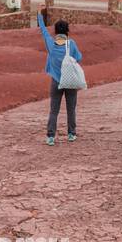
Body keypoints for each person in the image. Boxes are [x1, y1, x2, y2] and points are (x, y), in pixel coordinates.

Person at [36, 10, 83, 146]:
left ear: (56, 31)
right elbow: (79, 58)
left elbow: (43, 31)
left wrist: (39, 14)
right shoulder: (72, 44)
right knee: (71, 108)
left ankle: (50, 137)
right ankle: (71, 134)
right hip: (70, 81)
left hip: (56, 81)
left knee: (54, 110)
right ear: (67, 30)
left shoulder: (51, 44)